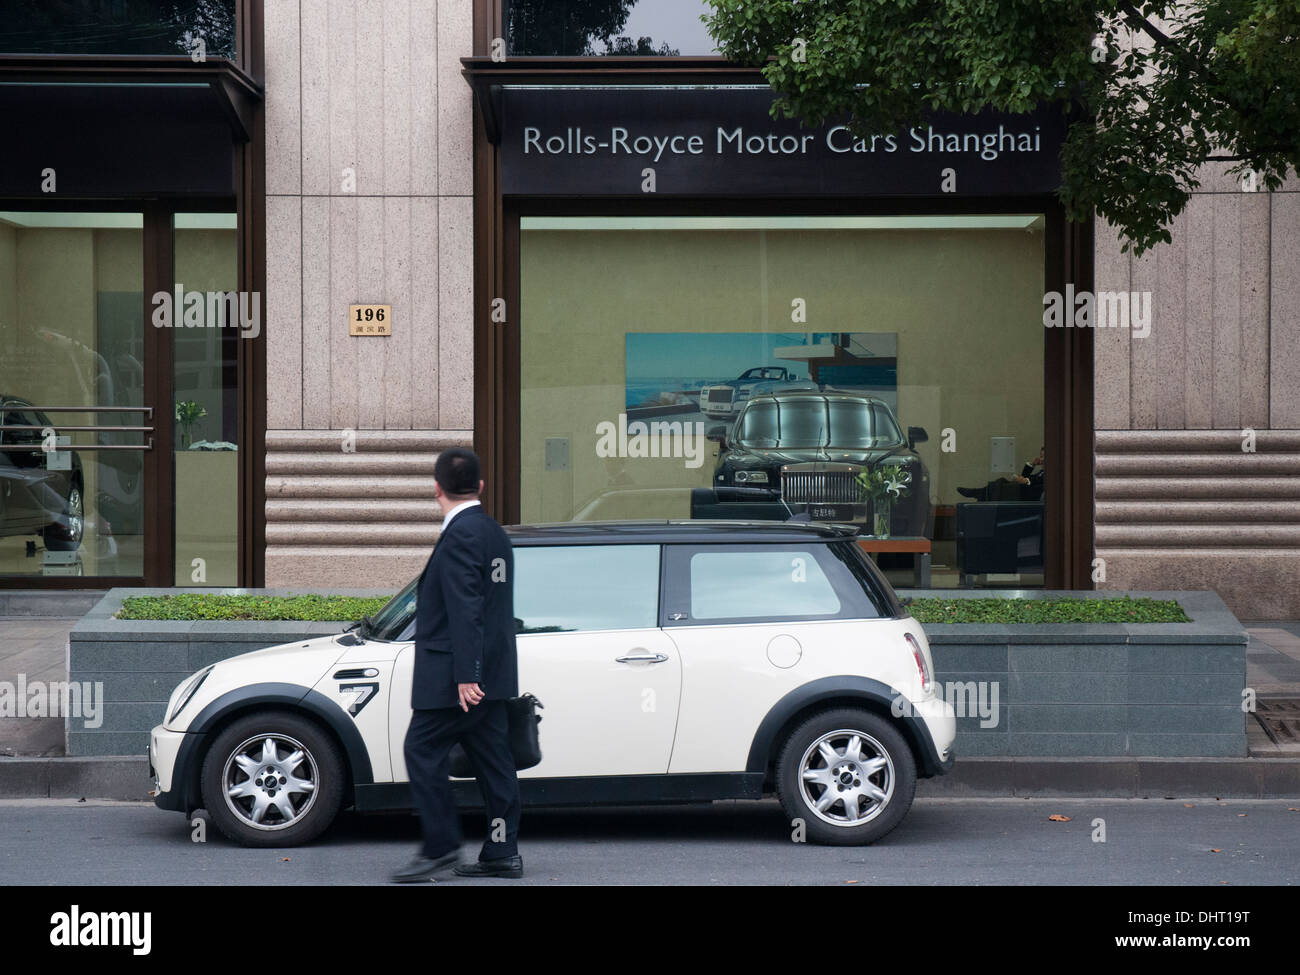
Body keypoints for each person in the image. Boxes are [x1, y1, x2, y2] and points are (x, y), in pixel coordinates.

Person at [391, 447, 523, 882]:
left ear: (436, 489)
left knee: (421, 750)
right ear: (480, 486)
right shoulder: (494, 533)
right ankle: (502, 852)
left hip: (456, 678)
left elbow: (467, 609)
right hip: (494, 672)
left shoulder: (460, 535)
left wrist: (468, 675)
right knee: (494, 762)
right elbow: (494, 607)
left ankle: (442, 847)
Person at [957, 446, 1045, 502]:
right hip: (1023, 491)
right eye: (1040, 456)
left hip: (1027, 495)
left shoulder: (1050, 474)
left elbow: (1036, 483)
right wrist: (1032, 465)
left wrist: (1026, 481)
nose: (1040, 459)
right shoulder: (1042, 471)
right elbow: (1024, 476)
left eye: (1043, 456)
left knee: (1003, 487)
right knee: (1002, 481)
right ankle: (980, 493)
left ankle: (978, 493)